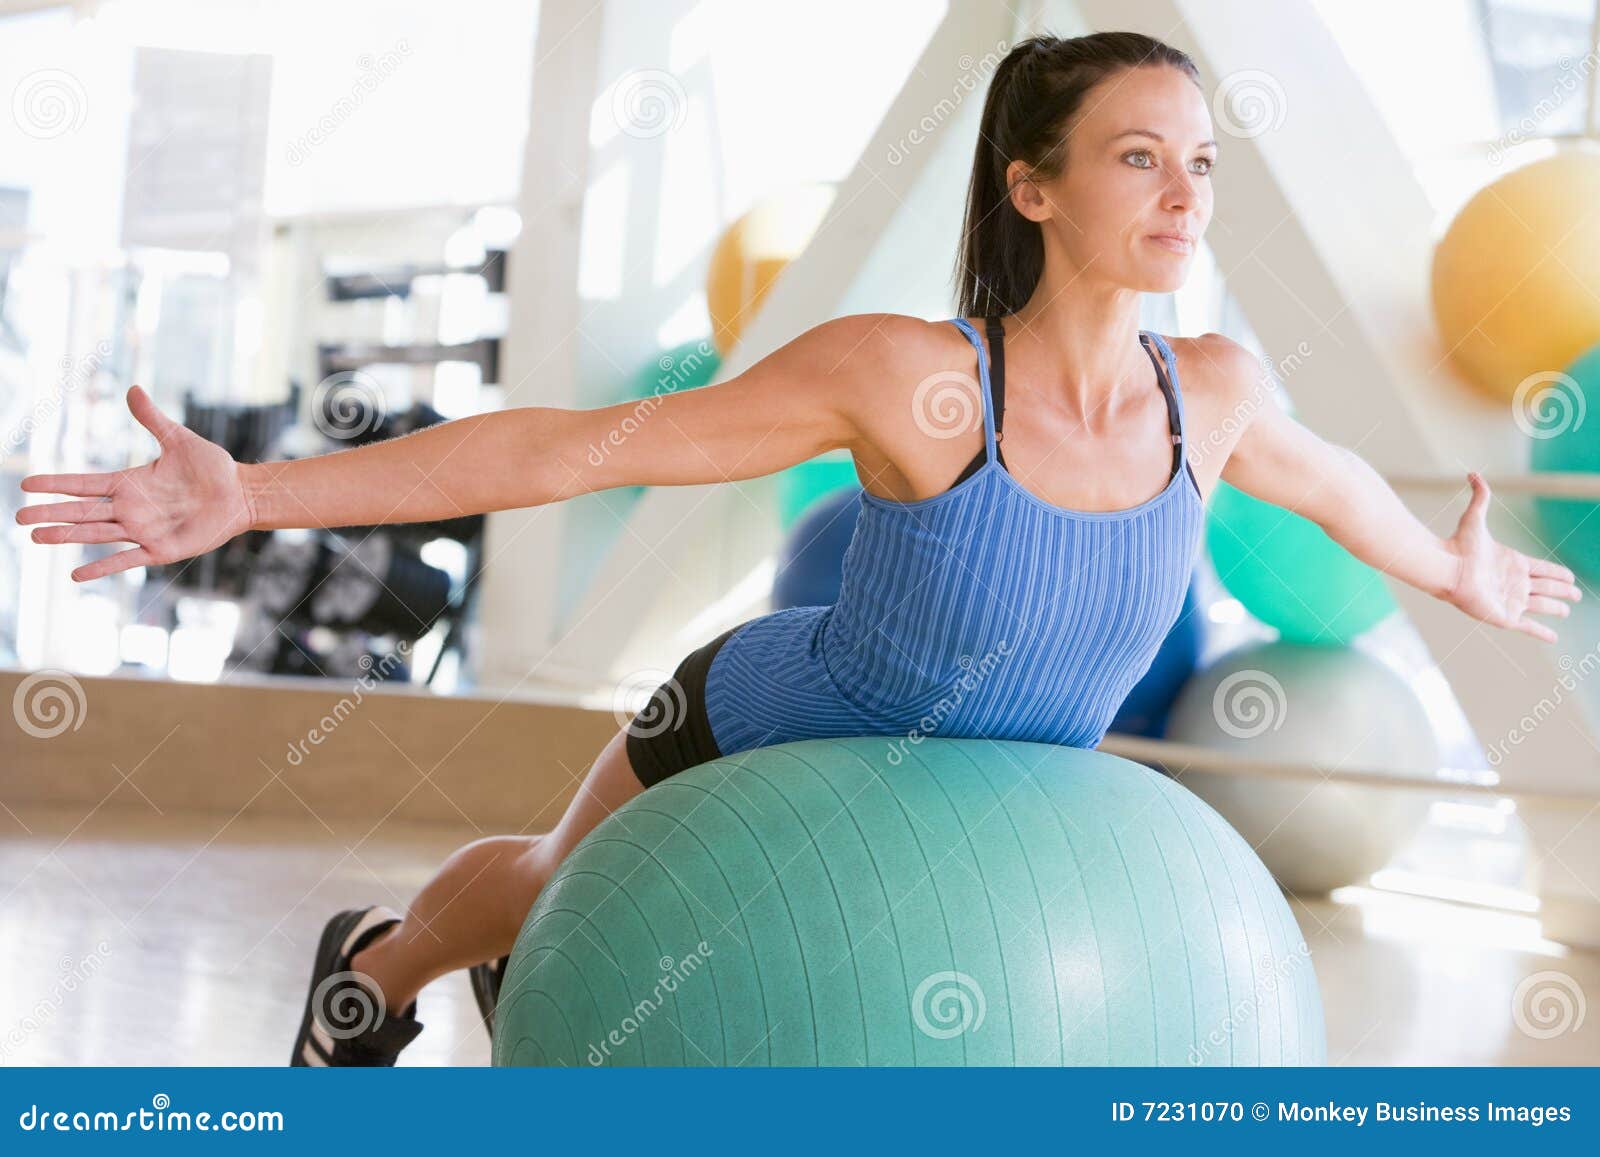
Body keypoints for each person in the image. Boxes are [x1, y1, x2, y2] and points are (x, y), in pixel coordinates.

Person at [17, 31, 1580, 1067]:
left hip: (994, 814)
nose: (1185, 193)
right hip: (763, 716)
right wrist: (256, 497)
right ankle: (373, 965)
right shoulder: (909, 378)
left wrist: (1461, 572)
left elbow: (1340, 494)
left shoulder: (1214, 396)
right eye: (1137, 158)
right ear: (1032, 188)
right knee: (555, 880)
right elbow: (569, 446)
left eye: (1202, 161)